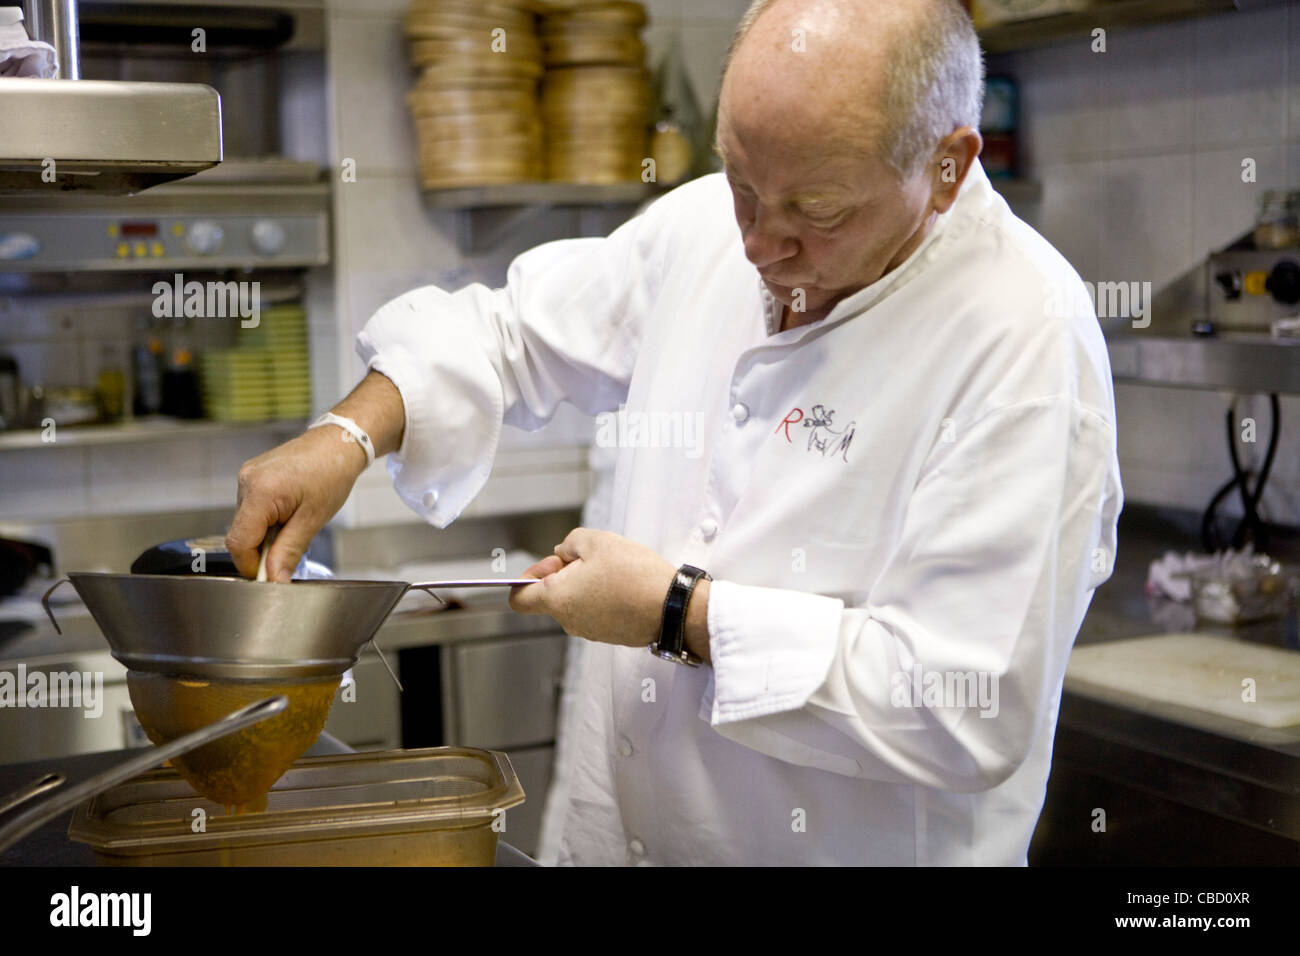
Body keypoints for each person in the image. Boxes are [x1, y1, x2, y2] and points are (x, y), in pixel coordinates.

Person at [228, 0, 1123, 865]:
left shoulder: (1024, 341)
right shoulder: (704, 227)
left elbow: (959, 709)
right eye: (741, 185)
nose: (759, 246)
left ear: (947, 167)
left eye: (817, 212)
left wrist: (676, 613)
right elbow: (516, 334)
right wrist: (348, 433)